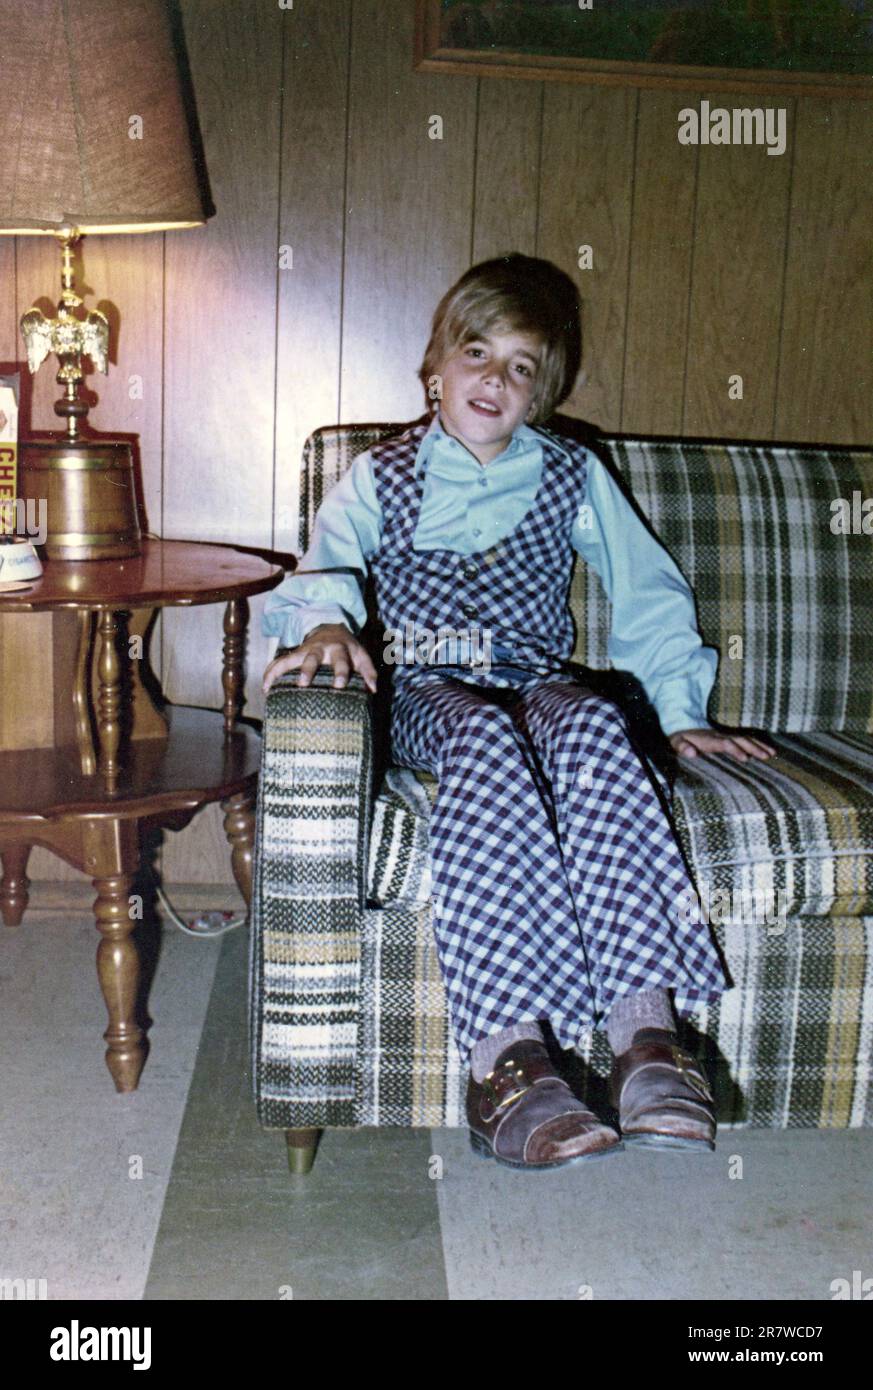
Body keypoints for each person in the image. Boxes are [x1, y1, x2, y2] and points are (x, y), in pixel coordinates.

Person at [262, 253, 776, 1172]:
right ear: (436, 369)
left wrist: (678, 710)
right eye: (476, 353)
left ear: (539, 392)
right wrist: (329, 625)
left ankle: (645, 1041)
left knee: (590, 723)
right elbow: (324, 568)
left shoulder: (570, 475)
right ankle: (508, 1063)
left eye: (520, 366)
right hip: (426, 689)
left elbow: (646, 589)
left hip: (535, 673)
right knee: (486, 734)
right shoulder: (382, 476)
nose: (494, 379)